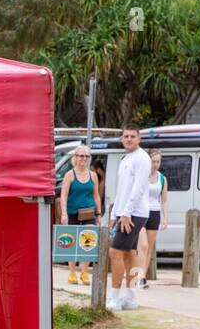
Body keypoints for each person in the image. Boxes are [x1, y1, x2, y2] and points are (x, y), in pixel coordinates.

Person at [107, 126, 151, 311]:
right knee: (130, 254)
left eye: (133, 136)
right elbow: (121, 190)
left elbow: (138, 188)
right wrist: (114, 214)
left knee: (115, 253)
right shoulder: (125, 159)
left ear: (139, 139)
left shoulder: (142, 158)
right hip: (123, 212)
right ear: (122, 139)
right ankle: (131, 298)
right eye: (126, 136)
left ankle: (115, 298)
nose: (129, 139)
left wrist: (126, 213)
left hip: (134, 213)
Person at [59, 144, 102, 285]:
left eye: (86, 156)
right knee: (71, 243)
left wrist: (99, 213)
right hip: (72, 213)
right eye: (81, 156)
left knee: (88, 242)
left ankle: (84, 271)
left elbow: (96, 196)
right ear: (75, 158)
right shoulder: (69, 175)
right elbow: (64, 196)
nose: (84, 158)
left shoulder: (93, 175)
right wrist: (64, 213)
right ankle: (72, 272)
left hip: (88, 213)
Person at [136, 148, 168, 289]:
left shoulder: (162, 178)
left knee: (148, 247)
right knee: (142, 245)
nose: (155, 164)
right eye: (153, 161)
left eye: (158, 162)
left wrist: (165, 217)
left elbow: (164, 200)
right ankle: (137, 275)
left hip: (154, 212)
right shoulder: (142, 176)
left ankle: (142, 277)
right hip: (141, 212)